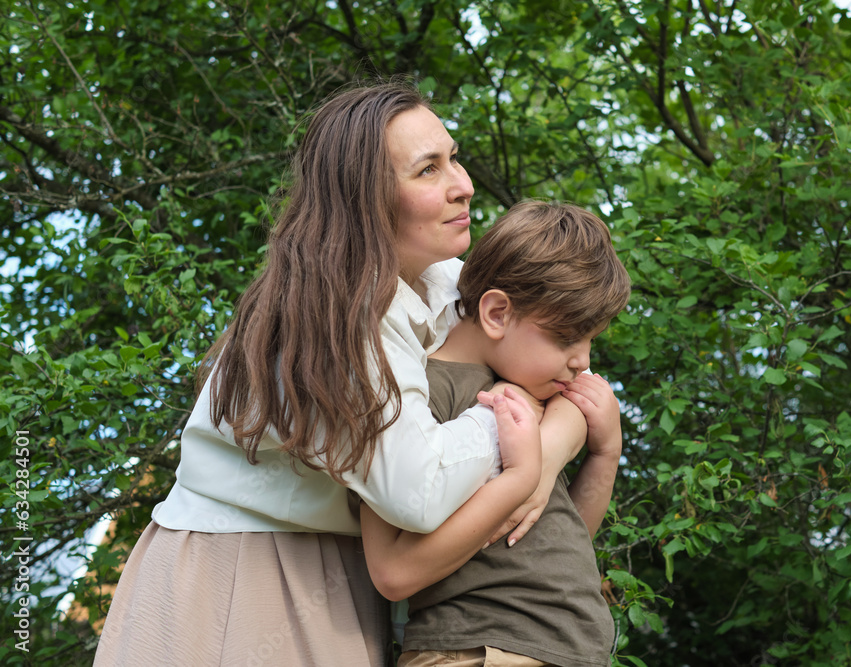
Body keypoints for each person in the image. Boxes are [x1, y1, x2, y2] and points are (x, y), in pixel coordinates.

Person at [94, 82, 585, 666]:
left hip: (347, 575)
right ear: (365, 199)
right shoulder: (331, 315)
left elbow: (565, 363)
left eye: (453, 157)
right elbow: (419, 492)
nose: (463, 185)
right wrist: (509, 423)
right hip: (242, 568)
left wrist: (545, 455)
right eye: (427, 170)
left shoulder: (447, 283)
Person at [357, 201, 632, 667]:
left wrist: (605, 454)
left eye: (590, 341)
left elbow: (553, 538)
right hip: (475, 649)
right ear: (498, 314)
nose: (582, 360)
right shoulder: (420, 396)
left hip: (570, 649)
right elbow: (393, 570)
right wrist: (521, 475)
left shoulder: (533, 389)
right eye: (568, 338)